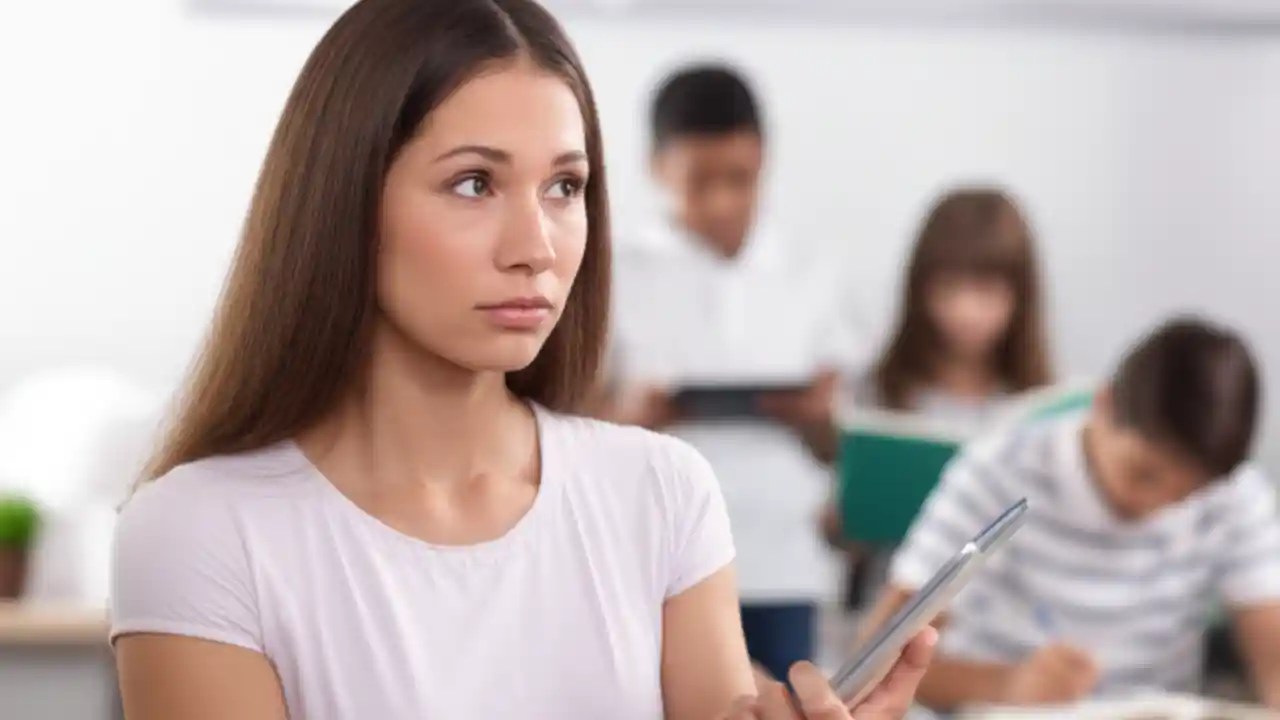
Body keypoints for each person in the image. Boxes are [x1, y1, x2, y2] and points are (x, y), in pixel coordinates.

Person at [107, 2, 934, 719]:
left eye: (565, 188)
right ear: (345, 199)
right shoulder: (202, 530)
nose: (536, 247)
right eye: (474, 184)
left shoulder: (663, 495)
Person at [863, 317, 1280, 710]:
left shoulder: (1234, 495)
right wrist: (1008, 685)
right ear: (1104, 405)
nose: (1157, 507)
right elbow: (876, 658)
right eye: (1144, 475)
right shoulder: (998, 472)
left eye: (1188, 494)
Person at [606, 64, 853, 682]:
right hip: (656, 562)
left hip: (783, 559)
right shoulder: (612, 273)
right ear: (656, 167)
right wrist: (631, 415)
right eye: (699, 182)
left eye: (739, 179)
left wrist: (818, 419)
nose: (721, 202)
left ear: (764, 159)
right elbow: (569, 430)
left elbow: (842, 445)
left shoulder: (814, 271)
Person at [823, 187, 1054, 606]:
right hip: (893, 607)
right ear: (920, 288)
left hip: (997, 622)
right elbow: (843, 528)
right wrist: (843, 520)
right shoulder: (879, 389)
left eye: (986, 290)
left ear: (1020, 295)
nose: (966, 310)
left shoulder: (1039, 410)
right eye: (949, 288)